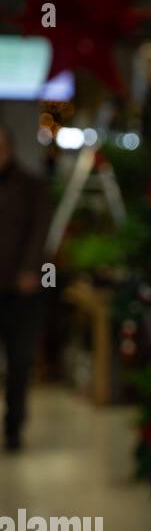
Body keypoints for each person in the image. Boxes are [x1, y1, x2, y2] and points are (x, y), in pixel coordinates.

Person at [0, 120, 51, 452]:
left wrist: (30, 270)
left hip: (20, 291)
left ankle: (14, 427)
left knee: (19, 361)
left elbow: (39, 232)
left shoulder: (31, 186)